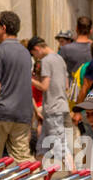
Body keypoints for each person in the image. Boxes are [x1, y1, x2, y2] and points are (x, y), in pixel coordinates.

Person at [0, 11, 34, 161]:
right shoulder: (25, 52)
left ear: (3, 27)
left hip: (2, 113)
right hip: (22, 113)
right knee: (22, 157)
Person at [27, 35, 70, 168]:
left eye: (34, 54)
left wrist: (30, 79)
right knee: (41, 147)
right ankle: (39, 176)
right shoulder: (60, 58)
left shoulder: (46, 61)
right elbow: (67, 85)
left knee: (60, 147)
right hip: (60, 105)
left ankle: (72, 173)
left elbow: (44, 86)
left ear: (36, 49)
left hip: (53, 107)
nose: (36, 58)